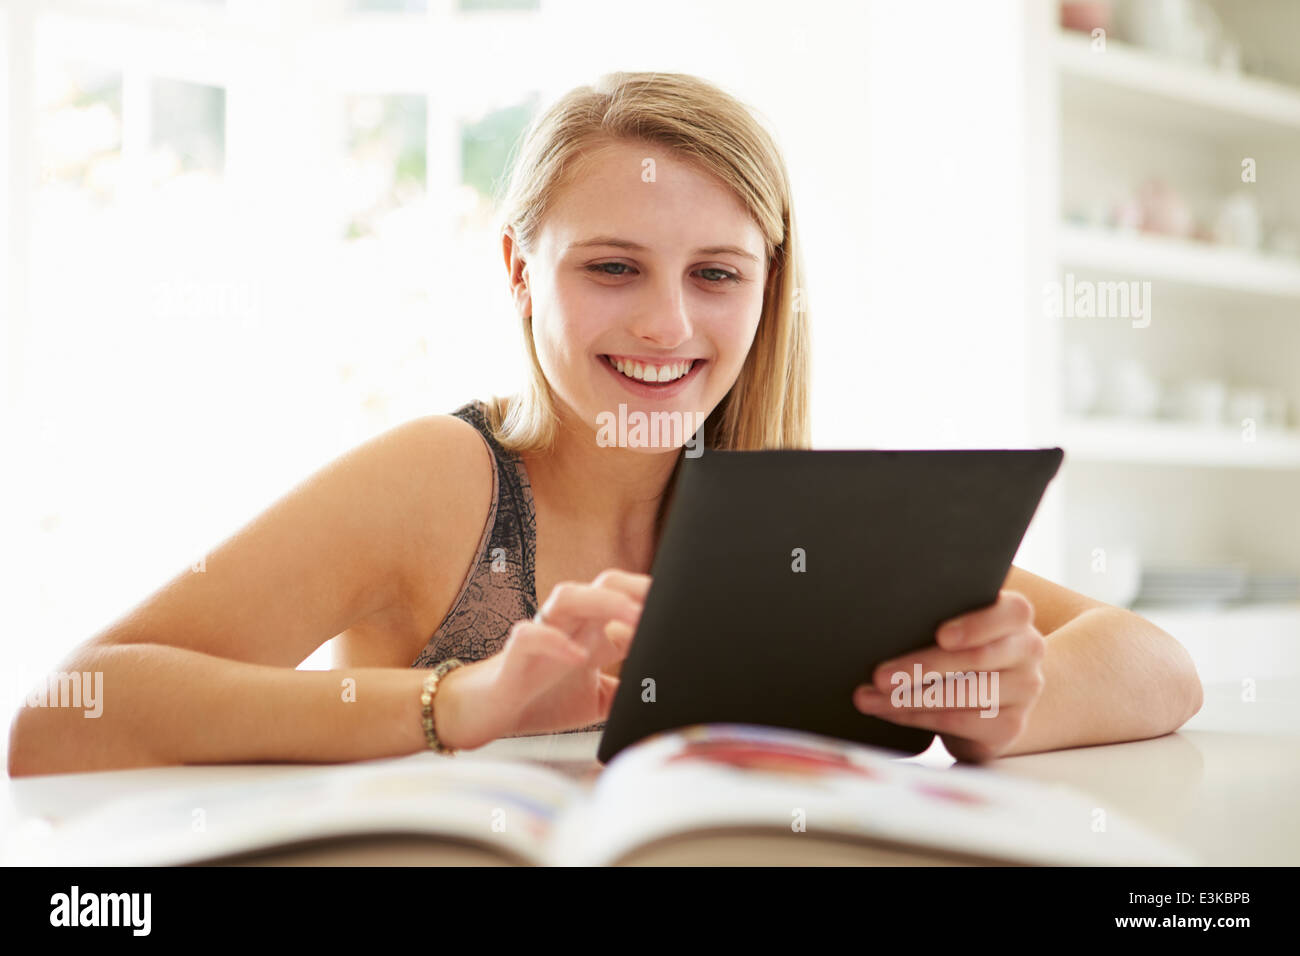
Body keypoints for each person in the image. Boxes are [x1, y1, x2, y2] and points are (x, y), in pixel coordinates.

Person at [7, 71, 1202, 776]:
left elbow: (1161, 667)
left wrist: (1006, 709)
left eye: (717, 274)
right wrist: (457, 703)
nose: (667, 324)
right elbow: (67, 714)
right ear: (519, 271)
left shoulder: (802, 512)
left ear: (768, 289)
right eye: (613, 266)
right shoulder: (444, 480)